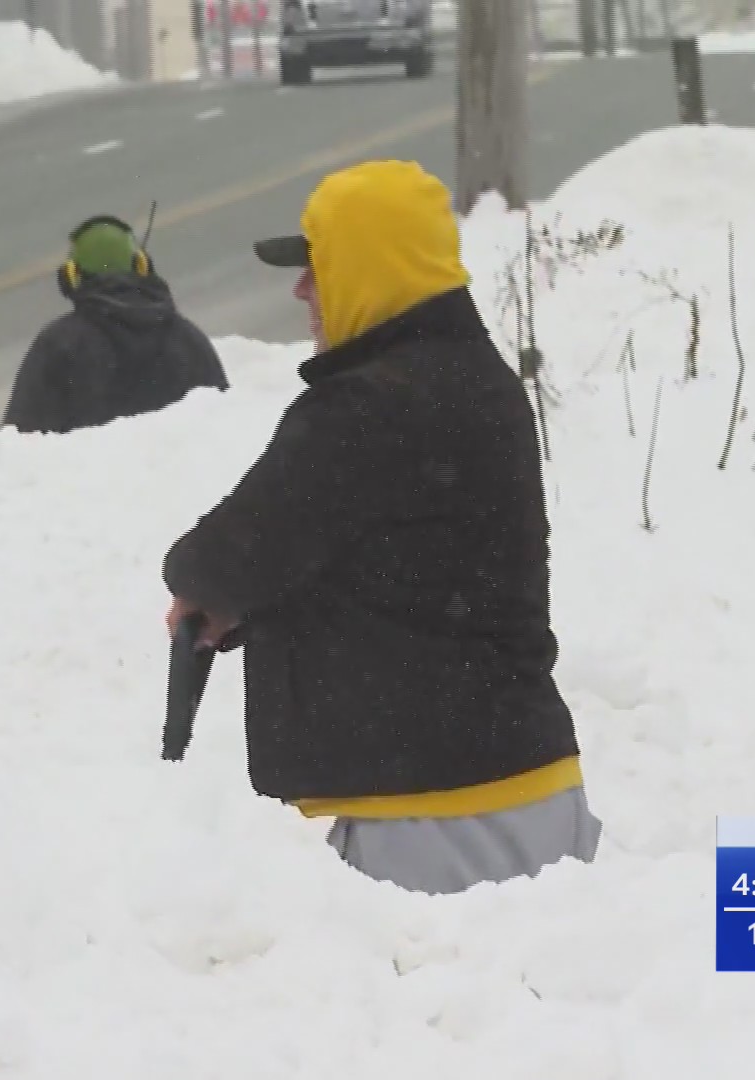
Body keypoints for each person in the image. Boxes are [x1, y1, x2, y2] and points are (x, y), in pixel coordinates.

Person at [160, 159, 600, 897]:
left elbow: (219, 560)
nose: (300, 289)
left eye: (316, 264)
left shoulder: (363, 409)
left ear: (366, 267)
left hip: (428, 822)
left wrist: (217, 591)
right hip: (533, 784)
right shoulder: (483, 383)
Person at [1, 214, 228, 435]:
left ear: (72, 276)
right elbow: (226, 420)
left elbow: (19, 439)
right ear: (141, 266)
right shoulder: (187, 338)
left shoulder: (59, 346)